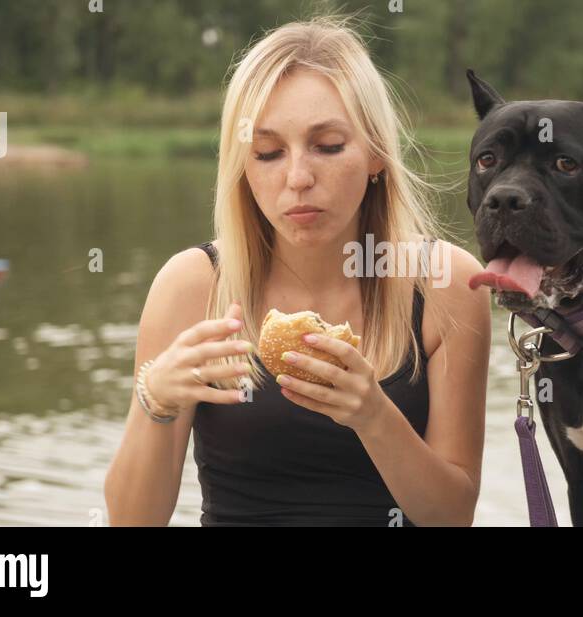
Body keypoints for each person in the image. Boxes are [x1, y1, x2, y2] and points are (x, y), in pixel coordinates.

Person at [104, 16, 491, 526]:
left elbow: (451, 516)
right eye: (267, 153)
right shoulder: (193, 286)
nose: (298, 178)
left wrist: (373, 416)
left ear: (376, 152)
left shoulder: (445, 284)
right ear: (241, 165)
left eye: (328, 146)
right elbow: (133, 522)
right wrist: (155, 402)